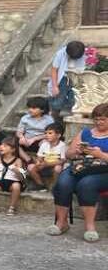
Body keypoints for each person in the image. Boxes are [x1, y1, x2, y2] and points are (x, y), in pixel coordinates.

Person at [47, 102, 108, 243]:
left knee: (87, 184)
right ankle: (61, 223)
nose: (98, 122)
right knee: (63, 182)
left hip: (104, 171)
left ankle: (90, 227)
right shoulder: (85, 133)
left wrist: (100, 154)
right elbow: (68, 154)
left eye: (103, 119)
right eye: (96, 119)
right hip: (81, 167)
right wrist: (76, 151)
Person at [48, 40, 86, 118]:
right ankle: (54, 118)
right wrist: (55, 86)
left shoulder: (85, 53)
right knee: (58, 100)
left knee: (74, 99)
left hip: (78, 77)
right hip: (63, 78)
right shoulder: (60, 54)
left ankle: (70, 116)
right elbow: (54, 70)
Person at [27, 122, 67, 189]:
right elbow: (39, 157)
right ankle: (40, 185)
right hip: (44, 166)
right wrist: (38, 162)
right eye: (46, 133)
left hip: (53, 167)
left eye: (50, 133)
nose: (47, 135)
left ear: (58, 135)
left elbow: (62, 160)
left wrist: (48, 164)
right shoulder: (44, 144)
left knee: (58, 168)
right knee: (30, 167)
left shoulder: (62, 145)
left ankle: (55, 186)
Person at [16, 96, 54, 163]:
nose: (30, 110)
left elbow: (51, 133)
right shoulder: (25, 118)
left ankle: (41, 161)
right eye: (29, 107)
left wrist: (34, 139)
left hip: (40, 140)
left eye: (33, 108)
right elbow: (19, 131)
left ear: (42, 110)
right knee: (13, 142)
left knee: (45, 143)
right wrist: (22, 137)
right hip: (26, 140)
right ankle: (28, 160)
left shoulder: (48, 119)